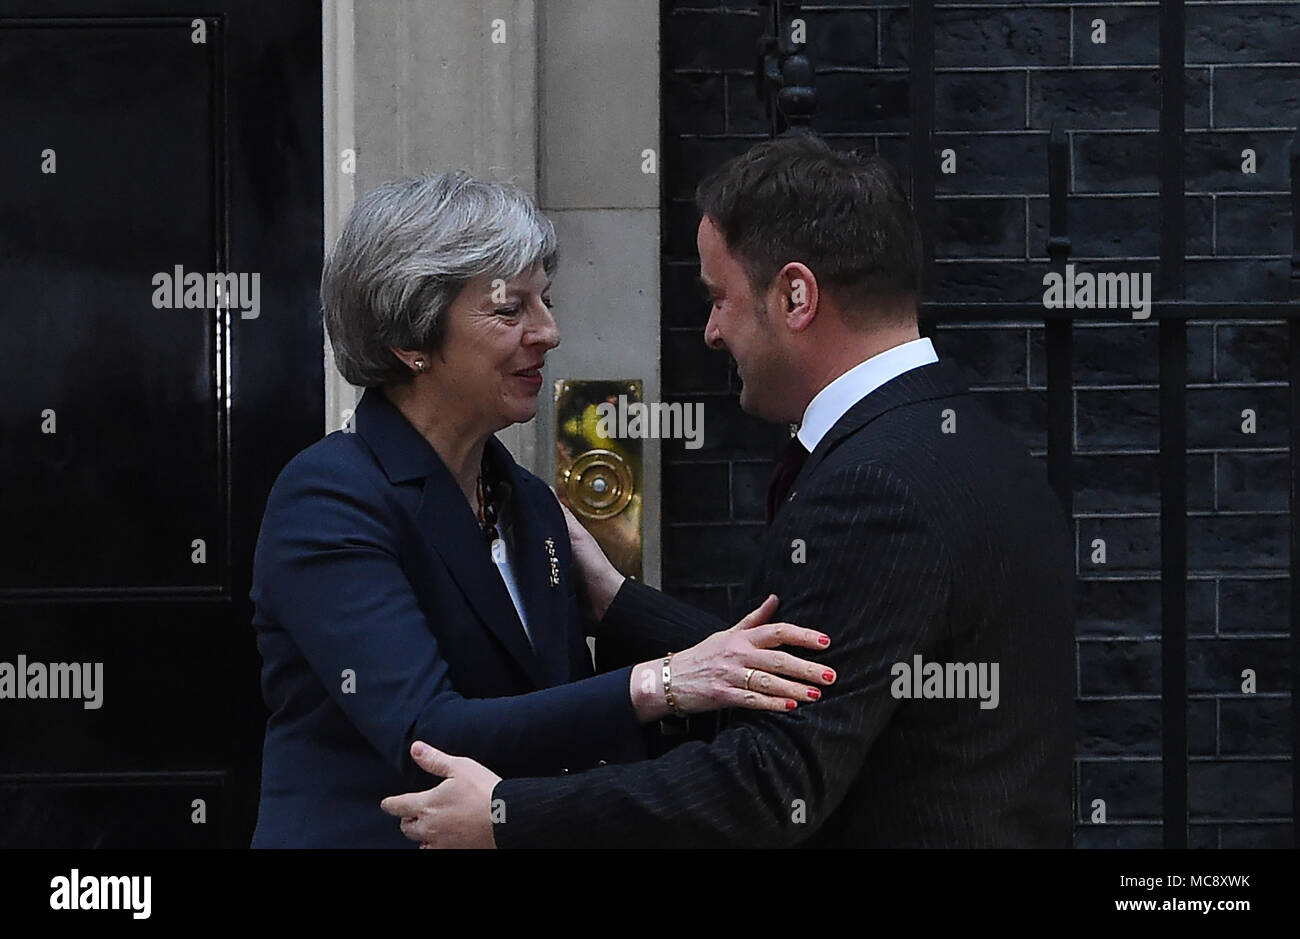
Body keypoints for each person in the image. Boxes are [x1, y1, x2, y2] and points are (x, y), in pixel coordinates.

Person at [381, 134, 1077, 848]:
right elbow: (816, 685)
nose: (712, 332)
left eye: (720, 298)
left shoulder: (877, 486)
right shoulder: (967, 443)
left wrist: (511, 812)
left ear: (797, 295)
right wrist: (618, 603)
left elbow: (775, 780)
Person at [248, 171, 835, 848]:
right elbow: (429, 734)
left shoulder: (526, 500)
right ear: (409, 339)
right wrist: (662, 682)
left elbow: (571, 731)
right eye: (510, 310)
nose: (549, 333)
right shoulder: (328, 497)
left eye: (546, 302)